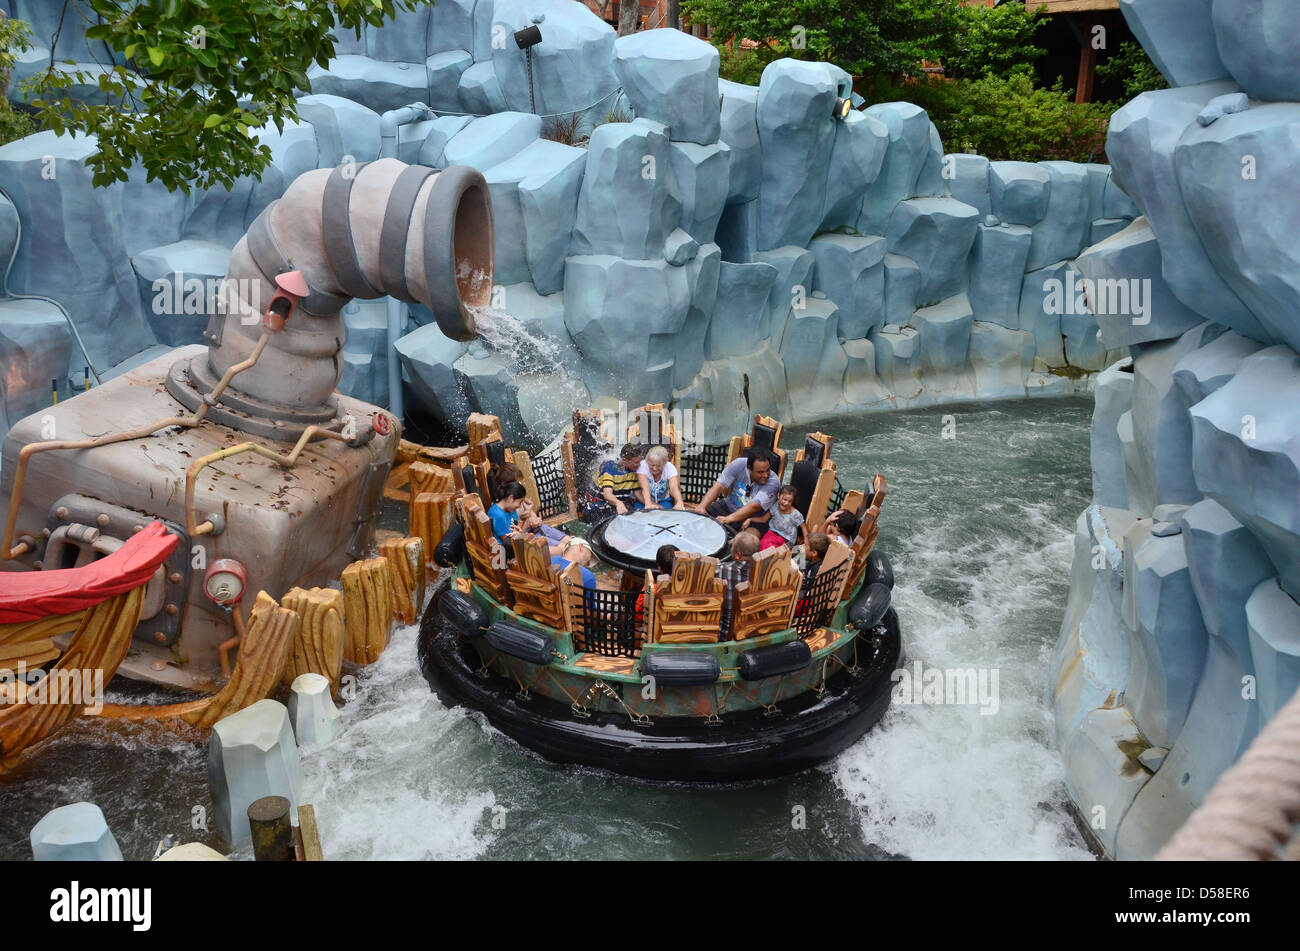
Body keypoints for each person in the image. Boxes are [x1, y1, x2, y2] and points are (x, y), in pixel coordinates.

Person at [694, 447, 781, 529]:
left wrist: (728, 519)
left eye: (768, 470)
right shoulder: (738, 464)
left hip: (754, 518)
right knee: (696, 519)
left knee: (748, 540)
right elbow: (719, 485)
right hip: (728, 506)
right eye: (760, 472)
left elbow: (754, 506)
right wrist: (702, 507)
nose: (766, 475)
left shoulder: (773, 482)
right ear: (749, 469)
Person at [715, 531, 759, 639]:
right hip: (751, 632)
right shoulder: (762, 573)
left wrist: (716, 565)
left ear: (738, 555)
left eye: (732, 545)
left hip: (724, 634)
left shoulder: (722, 570)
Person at [583, 443, 643, 521]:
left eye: (640, 461)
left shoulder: (634, 470)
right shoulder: (610, 468)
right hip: (600, 504)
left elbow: (638, 493)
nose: (639, 465)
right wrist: (618, 503)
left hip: (617, 502)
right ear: (624, 460)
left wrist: (650, 503)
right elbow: (607, 495)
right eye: (636, 462)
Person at [636, 544, 679, 625]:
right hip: (682, 631)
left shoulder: (651, 590)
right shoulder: (688, 589)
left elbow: (638, 616)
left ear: (660, 568)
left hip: (655, 633)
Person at [637, 445, 684, 510]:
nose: (655, 468)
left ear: (665, 463)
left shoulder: (670, 467)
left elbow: (674, 488)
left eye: (658, 466)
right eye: (652, 465)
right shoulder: (643, 465)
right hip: (643, 501)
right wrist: (649, 504)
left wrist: (679, 502)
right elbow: (645, 487)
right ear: (647, 462)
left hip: (663, 501)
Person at [759, 484, 805, 550]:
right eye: (784, 499)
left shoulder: (795, 514)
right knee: (762, 544)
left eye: (789, 501)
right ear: (778, 496)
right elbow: (763, 519)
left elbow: (803, 527)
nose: (786, 503)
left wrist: (807, 542)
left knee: (772, 550)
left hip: (787, 539)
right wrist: (750, 519)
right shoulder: (775, 506)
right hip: (772, 533)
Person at [486, 483, 527, 547]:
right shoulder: (498, 516)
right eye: (520, 502)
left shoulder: (510, 508)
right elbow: (508, 542)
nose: (520, 506)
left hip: (514, 538)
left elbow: (517, 523)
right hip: (507, 548)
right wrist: (524, 528)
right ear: (511, 498)